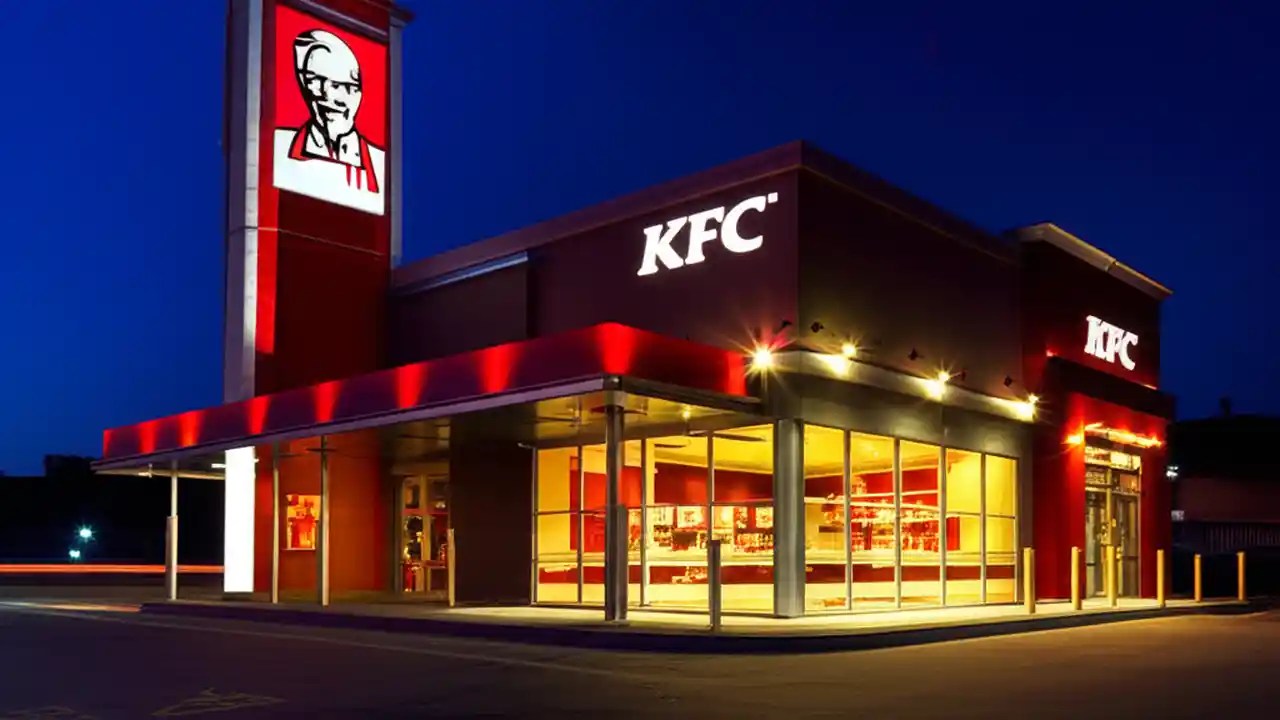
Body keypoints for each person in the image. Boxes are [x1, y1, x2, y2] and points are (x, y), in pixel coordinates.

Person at [273, 29, 385, 215]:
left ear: (359, 93)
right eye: (318, 82)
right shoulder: (277, 148)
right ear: (305, 85)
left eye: (348, 87)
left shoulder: (379, 164)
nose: (333, 97)